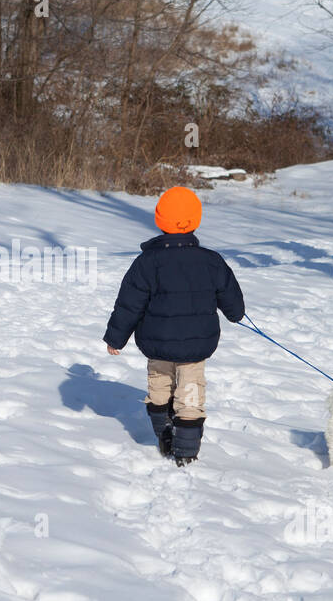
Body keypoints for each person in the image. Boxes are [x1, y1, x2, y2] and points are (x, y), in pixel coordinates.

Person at [103, 186, 245, 465]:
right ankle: (187, 452)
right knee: (190, 392)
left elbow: (129, 304)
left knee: (159, 387)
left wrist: (115, 338)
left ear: (159, 219)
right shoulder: (211, 261)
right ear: (196, 220)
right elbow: (231, 297)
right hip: (196, 344)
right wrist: (236, 314)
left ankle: (164, 435)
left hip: (157, 343)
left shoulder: (147, 263)